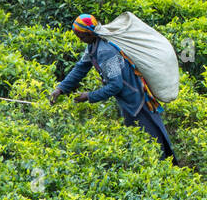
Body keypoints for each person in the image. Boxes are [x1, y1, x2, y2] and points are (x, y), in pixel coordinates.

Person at [49, 14, 176, 163]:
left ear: (90, 33)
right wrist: (61, 88)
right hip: (128, 98)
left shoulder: (105, 52)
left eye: (81, 36)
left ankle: (163, 167)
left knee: (150, 137)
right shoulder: (92, 46)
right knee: (141, 134)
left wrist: (89, 96)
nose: (80, 40)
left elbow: (116, 85)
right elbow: (80, 68)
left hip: (136, 98)